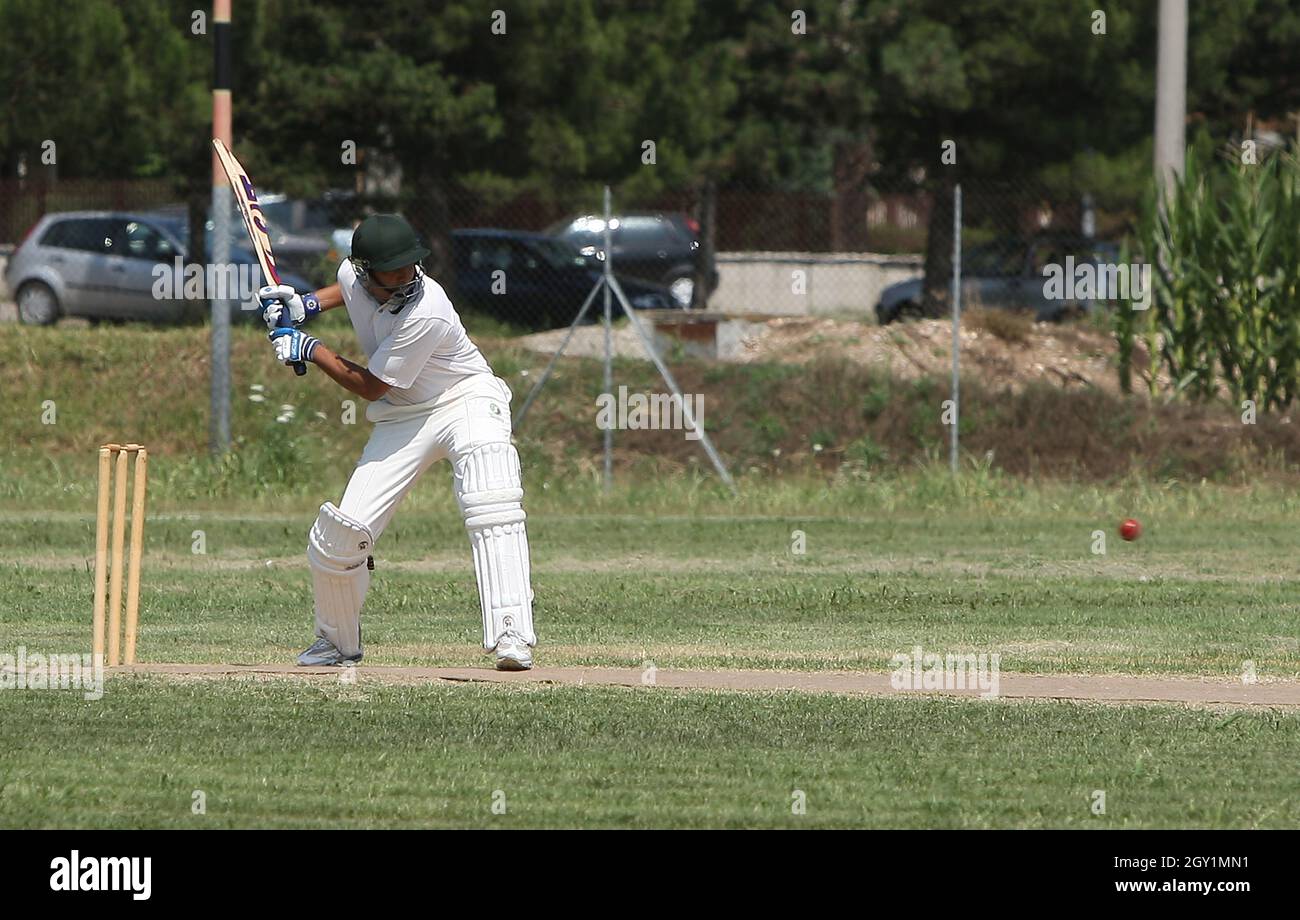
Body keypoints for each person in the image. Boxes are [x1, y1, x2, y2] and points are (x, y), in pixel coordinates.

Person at [257, 214, 535, 670]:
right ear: (365, 269)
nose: (408, 275)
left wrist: (309, 348)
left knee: (491, 502)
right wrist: (303, 305)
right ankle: (336, 642)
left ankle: (512, 634)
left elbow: (370, 386)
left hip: (466, 398)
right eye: (394, 270)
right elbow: (345, 290)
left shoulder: (428, 309)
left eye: (411, 265)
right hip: (405, 415)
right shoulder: (353, 274)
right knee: (340, 535)